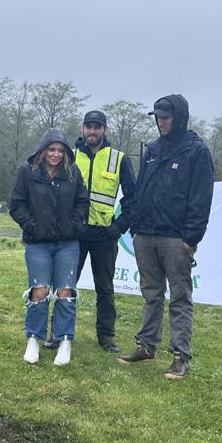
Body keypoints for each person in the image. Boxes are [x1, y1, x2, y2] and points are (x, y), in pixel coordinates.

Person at [119, 94, 214, 380]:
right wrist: (135, 228)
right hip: (145, 234)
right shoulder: (151, 150)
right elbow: (139, 190)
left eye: (166, 117)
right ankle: (146, 345)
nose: (160, 122)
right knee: (151, 294)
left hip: (176, 238)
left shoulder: (196, 152)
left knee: (180, 297)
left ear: (180, 118)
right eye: (157, 117)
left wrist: (190, 238)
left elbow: (202, 198)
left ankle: (180, 356)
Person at [51, 110, 135, 354]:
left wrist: (119, 228)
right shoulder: (70, 156)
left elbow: (133, 199)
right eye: (89, 126)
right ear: (82, 128)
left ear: (105, 130)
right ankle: (58, 334)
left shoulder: (119, 159)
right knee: (65, 286)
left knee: (105, 289)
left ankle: (106, 337)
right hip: (74, 234)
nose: (92, 131)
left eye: (97, 127)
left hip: (104, 235)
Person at [9, 128, 89, 366]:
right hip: (38, 243)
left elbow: (82, 202)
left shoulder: (73, 173)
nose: (55, 154)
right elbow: (16, 204)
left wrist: (75, 224)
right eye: (51, 150)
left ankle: (64, 340)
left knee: (65, 291)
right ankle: (34, 338)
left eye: (60, 151)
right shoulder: (27, 172)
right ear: (43, 151)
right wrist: (31, 226)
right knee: (39, 291)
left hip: (67, 243)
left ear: (65, 153)